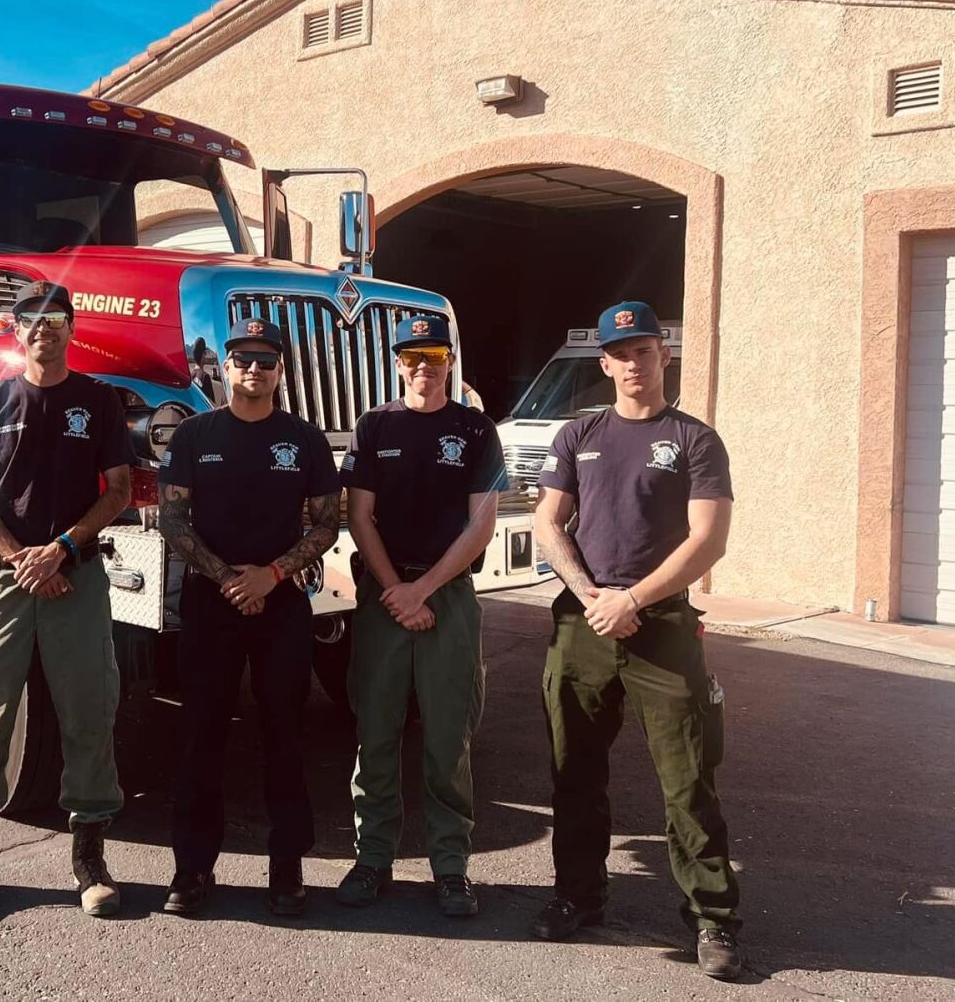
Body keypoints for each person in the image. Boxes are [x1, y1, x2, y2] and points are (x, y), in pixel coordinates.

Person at [531, 300, 742, 979]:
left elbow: (709, 538)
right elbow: (548, 522)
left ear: (663, 356)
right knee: (575, 773)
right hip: (583, 625)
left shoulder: (694, 440)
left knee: (687, 782)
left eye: (643, 350)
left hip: (663, 629)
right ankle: (577, 897)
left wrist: (633, 599)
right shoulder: (579, 434)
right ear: (605, 363)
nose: (632, 363)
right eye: (620, 354)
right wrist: (592, 596)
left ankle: (713, 919)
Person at [0, 281, 133, 923]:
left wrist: (65, 550)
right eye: (32, 320)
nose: (44, 328)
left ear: (72, 329)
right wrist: (23, 557)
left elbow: (121, 491)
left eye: (56, 318)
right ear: (15, 333)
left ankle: (90, 857)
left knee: (89, 709)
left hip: (75, 574)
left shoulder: (98, 403)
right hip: (7, 575)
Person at [157, 318, 341, 916]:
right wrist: (229, 578)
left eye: (266, 360)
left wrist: (272, 575)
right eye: (243, 359)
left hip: (281, 603)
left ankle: (287, 867)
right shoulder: (194, 435)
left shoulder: (305, 440)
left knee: (284, 735)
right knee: (201, 735)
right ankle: (191, 869)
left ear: (280, 371)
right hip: (213, 605)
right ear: (226, 366)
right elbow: (173, 521)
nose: (254, 370)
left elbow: (326, 522)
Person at [336, 313, 507, 917]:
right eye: (411, 356)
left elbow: (480, 524)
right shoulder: (374, 424)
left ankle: (451, 866)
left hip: (448, 597)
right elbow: (359, 517)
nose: (422, 367)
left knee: (447, 737)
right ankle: (372, 858)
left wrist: (425, 590)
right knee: (374, 734)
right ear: (398, 362)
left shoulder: (475, 429)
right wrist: (395, 591)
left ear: (449, 361)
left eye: (433, 355)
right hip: (386, 596)